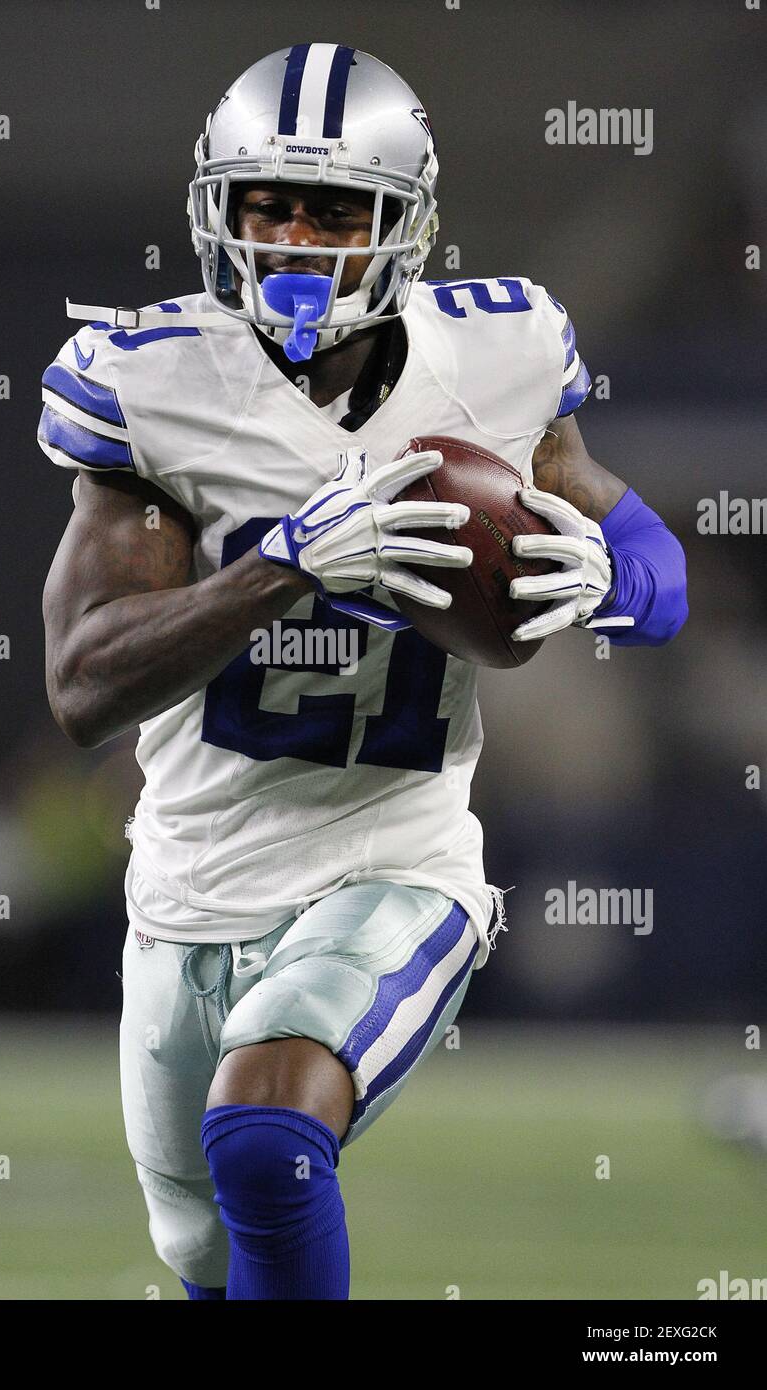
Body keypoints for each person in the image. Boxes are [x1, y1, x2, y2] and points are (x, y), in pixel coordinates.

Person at [38, 44, 687, 1300]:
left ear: (409, 228)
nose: (291, 236)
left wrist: (619, 588)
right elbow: (79, 687)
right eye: (264, 201)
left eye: (337, 209)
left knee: (266, 1137)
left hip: (393, 855)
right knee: (205, 1257)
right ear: (213, 210)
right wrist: (279, 565)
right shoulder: (152, 384)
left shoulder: (495, 357)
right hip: (190, 882)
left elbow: (638, 544)